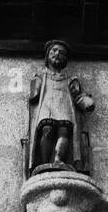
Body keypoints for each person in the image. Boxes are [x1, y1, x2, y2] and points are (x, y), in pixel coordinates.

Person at [26, 39, 95, 175]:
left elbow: (77, 96)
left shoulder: (70, 79)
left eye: (62, 53)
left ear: (65, 59)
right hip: (46, 107)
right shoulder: (41, 76)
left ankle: (58, 159)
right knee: (47, 129)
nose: (57, 54)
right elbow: (33, 96)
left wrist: (86, 102)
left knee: (64, 131)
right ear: (47, 55)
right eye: (54, 51)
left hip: (64, 106)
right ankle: (45, 162)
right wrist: (35, 85)